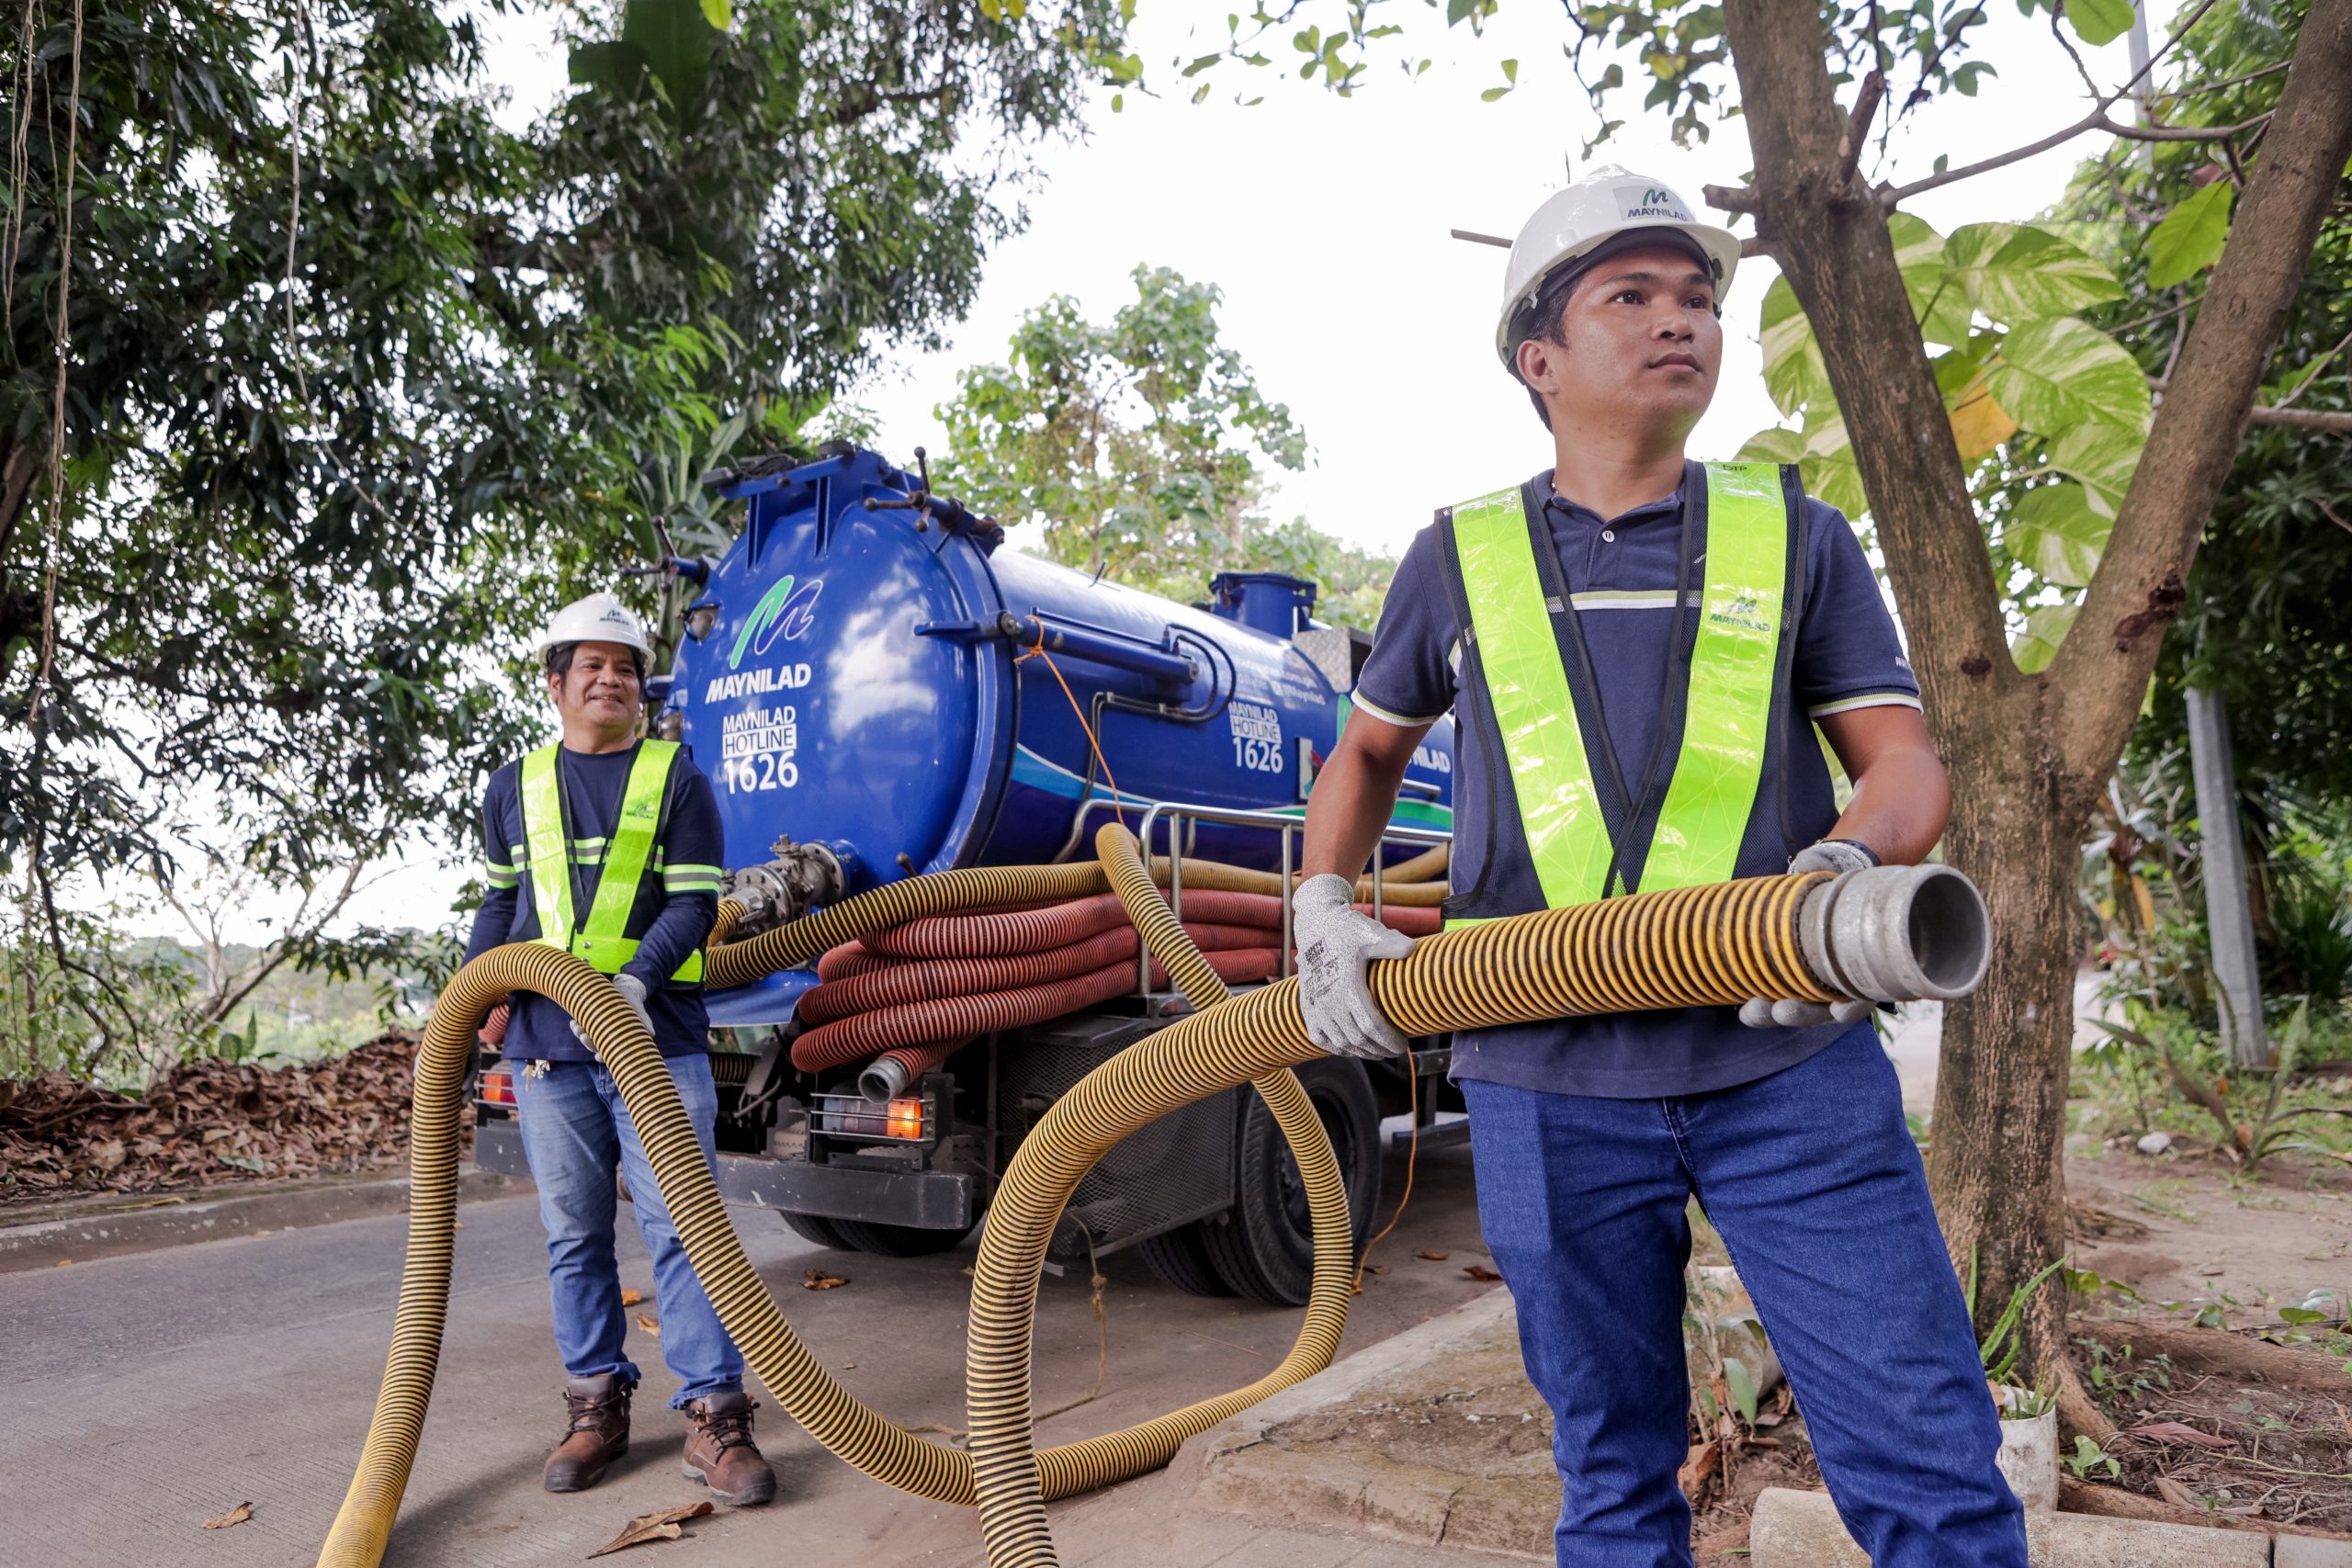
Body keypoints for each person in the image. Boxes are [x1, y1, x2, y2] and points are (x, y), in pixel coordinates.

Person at [1293, 166, 2027, 1566]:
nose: (1677, 317)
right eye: (1628, 295)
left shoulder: (1796, 536)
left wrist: (1838, 865)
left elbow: (1905, 759)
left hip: (1787, 1066)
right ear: (1540, 358)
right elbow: (1367, 751)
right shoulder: (1459, 555)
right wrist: (1324, 904)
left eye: (1696, 296)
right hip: (1542, 1076)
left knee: (1927, 1455)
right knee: (1615, 1482)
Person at [464, 592, 775, 1506]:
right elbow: (502, 903)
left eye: (626, 667)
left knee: (686, 1230)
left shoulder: (676, 778)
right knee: (573, 1236)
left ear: (641, 687)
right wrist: (472, 997)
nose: (611, 679)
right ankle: (596, 1406)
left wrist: (634, 983)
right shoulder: (514, 785)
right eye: (592, 665)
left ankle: (715, 1416)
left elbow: (693, 903)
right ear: (555, 683)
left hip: (657, 1042)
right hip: (545, 1050)